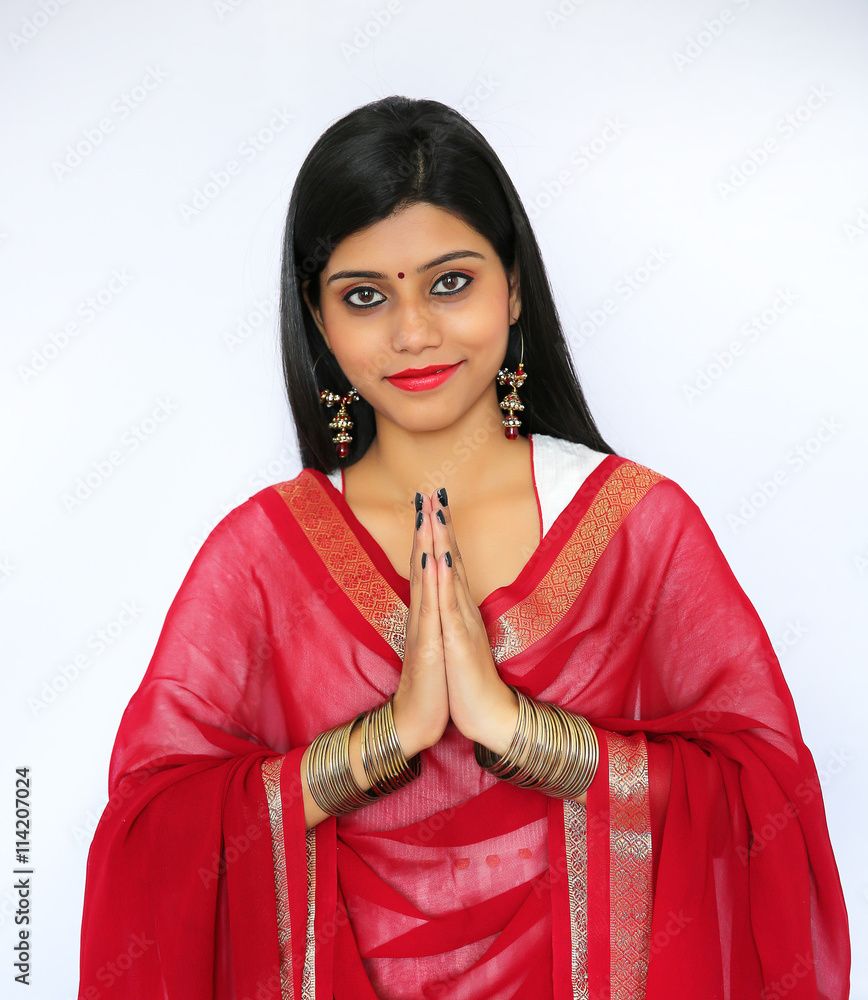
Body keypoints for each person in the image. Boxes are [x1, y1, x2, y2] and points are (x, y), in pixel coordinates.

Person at [78, 95, 850, 1000]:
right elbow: (148, 836)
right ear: (318, 321)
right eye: (365, 297)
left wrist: (512, 727)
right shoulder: (262, 555)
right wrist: (389, 738)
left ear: (513, 285)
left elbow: (770, 807)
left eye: (451, 282)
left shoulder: (636, 528)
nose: (414, 333)